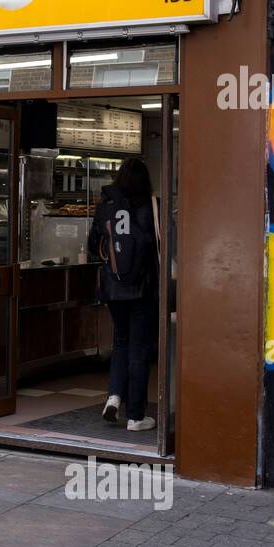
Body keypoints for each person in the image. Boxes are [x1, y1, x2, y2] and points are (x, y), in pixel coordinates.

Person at [88, 158, 159, 433]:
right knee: (139, 350)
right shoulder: (151, 205)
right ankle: (136, 416)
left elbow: (93, 244)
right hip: (141, 288)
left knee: (120, 342)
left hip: (113, 286)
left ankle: (114, 397)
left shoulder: (107, 204)